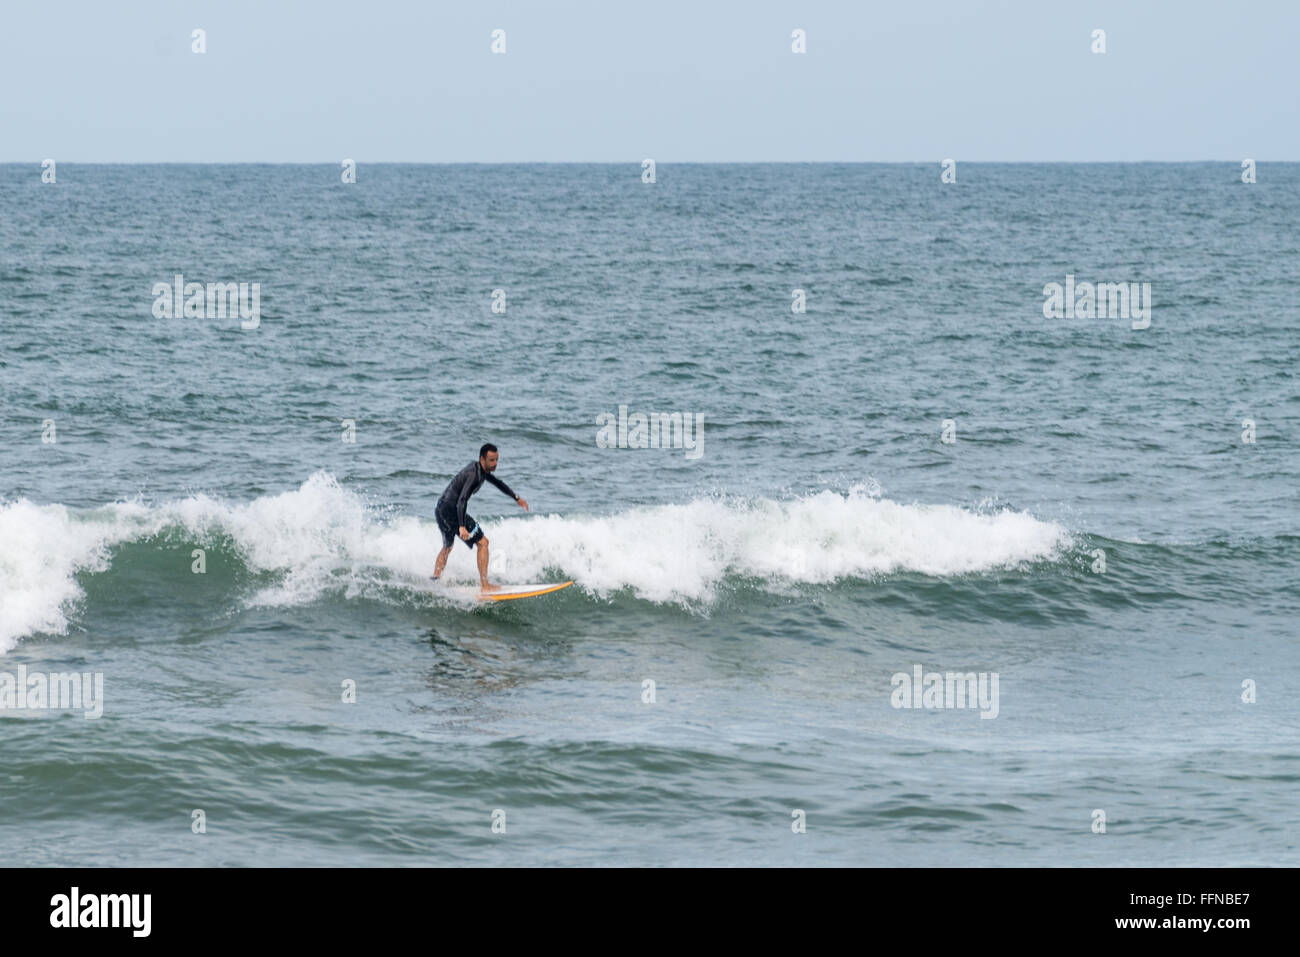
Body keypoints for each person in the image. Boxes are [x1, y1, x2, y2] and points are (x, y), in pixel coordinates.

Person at [432, 443, 529, 591]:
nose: (495, 463)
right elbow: (462, 500)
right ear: (482, 459)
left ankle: (435, 581)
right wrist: (462, 526)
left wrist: (516, 498)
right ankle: (485, 585)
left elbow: (498, 483)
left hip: (441, 508)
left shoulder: (481, 471)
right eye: (491, 460)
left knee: (447, 546)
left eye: (497, 459)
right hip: (452, 509)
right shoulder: (474, 474)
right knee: (483, 543)